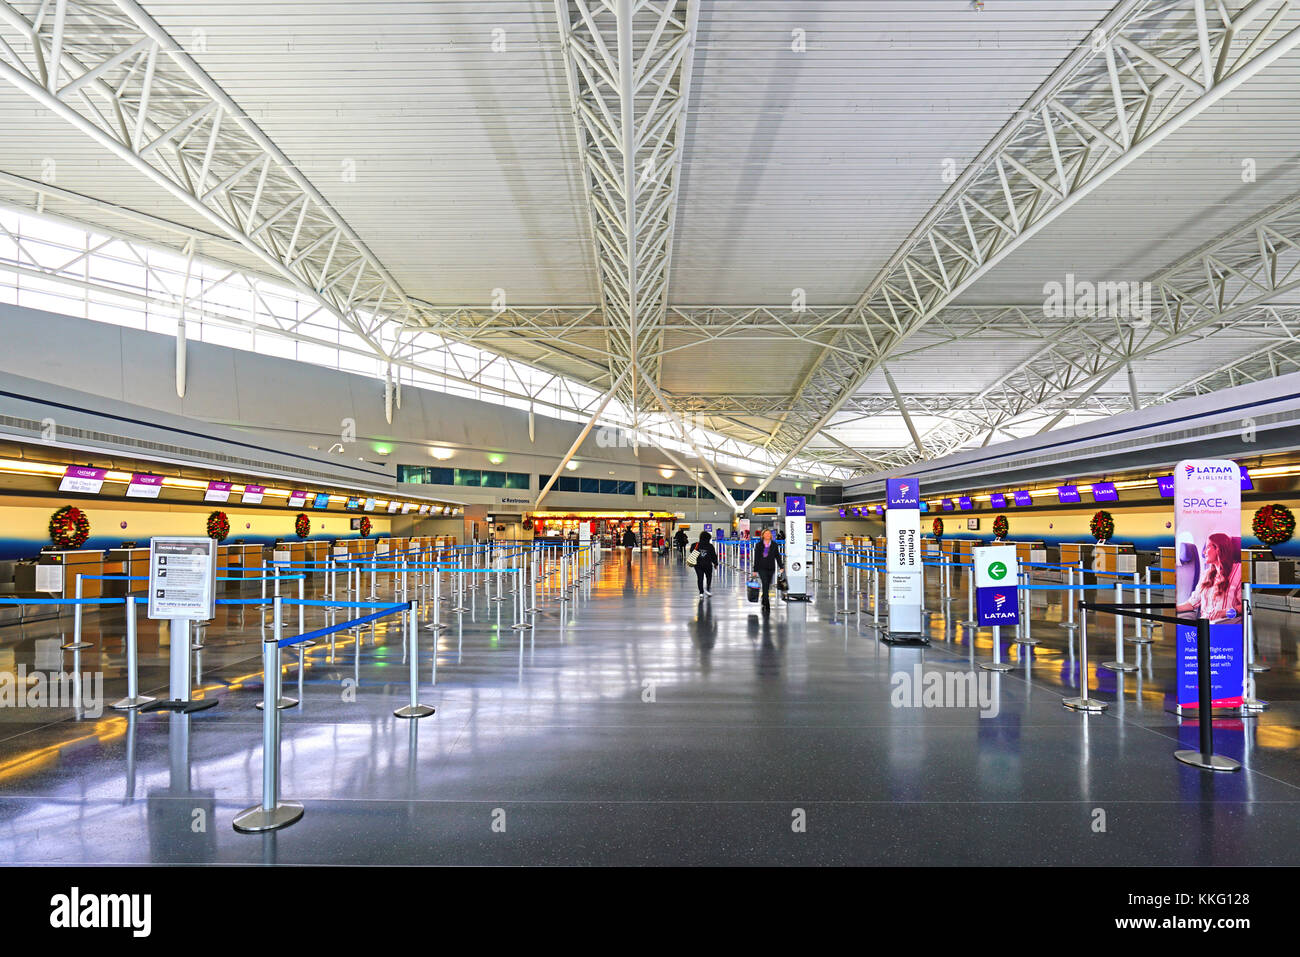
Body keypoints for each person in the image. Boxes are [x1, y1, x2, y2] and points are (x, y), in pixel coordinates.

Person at [1176, 532, 1242, 624]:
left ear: (1218, 549)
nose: (1204, 552)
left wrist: (1227, 612)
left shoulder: (1238, 571)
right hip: (1204, 623)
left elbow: (1245, 606)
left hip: (1225, 622)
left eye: (1207, 547)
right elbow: (1192, 603)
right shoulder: (1206, 574)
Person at [751, 527, 784, 609]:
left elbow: (777, 556)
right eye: (766, 534)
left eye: (769, 534)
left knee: (767, 585)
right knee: (765, 583)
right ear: (763, 535)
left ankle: (764, 597)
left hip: (771, 567)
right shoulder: (759, 545)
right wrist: (755, 570)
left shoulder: (774, 545)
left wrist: (781, 566)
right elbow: (756, 558)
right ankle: (766, 601)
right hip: (761, 568)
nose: (768, 535)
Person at [690, 530, 719, 597]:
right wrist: (715, 563)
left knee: (700, 578)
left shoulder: (695, 545)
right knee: (709, 577)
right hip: (708, 565)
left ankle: (701, 593)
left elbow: (691, 551)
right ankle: (708, 589)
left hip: (698, 565)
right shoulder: (710, 546)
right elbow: (713, 555)